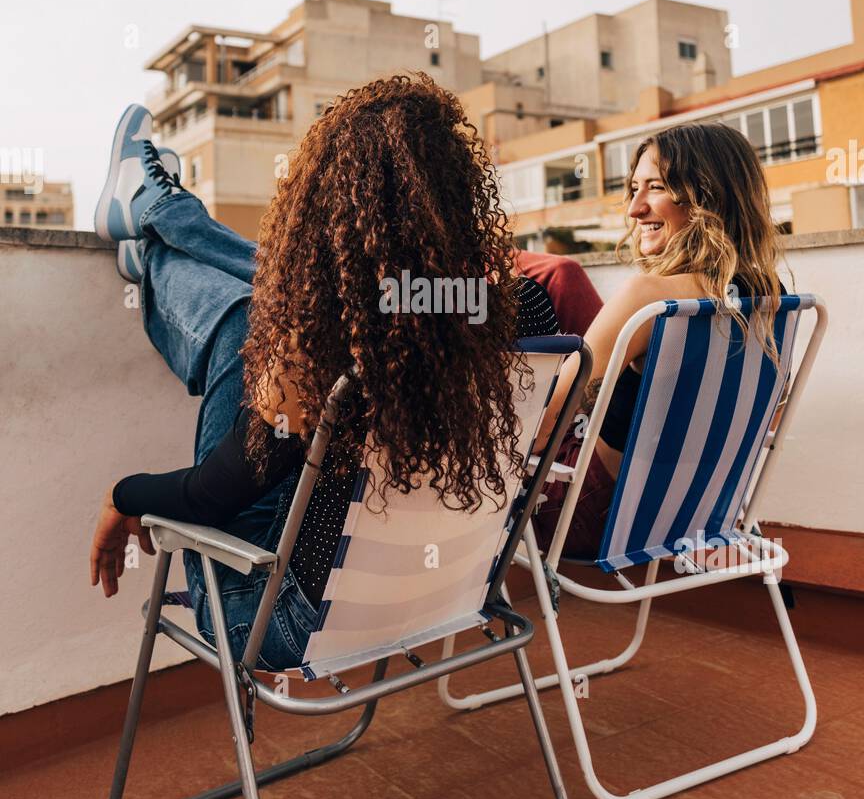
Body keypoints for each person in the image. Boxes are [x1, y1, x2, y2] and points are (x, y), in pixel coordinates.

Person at [88, 76, 564, 672]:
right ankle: (157, 222)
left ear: (326, 202)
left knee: (245, 320)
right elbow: (400, 297)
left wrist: (120, 493)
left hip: (283, 620)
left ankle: (155, 238)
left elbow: (207, 499)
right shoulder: (520, 309)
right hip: (448, 594)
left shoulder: (318, 352)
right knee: (296, 307)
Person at [525, 122, 788, 560]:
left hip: (588, 517)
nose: (634, 209)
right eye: (632, 189)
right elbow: (767, 423)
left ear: (707, 195)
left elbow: (542, 426)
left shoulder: (649, 297)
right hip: (697, 515)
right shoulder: (774, 300)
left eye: (656, 187)